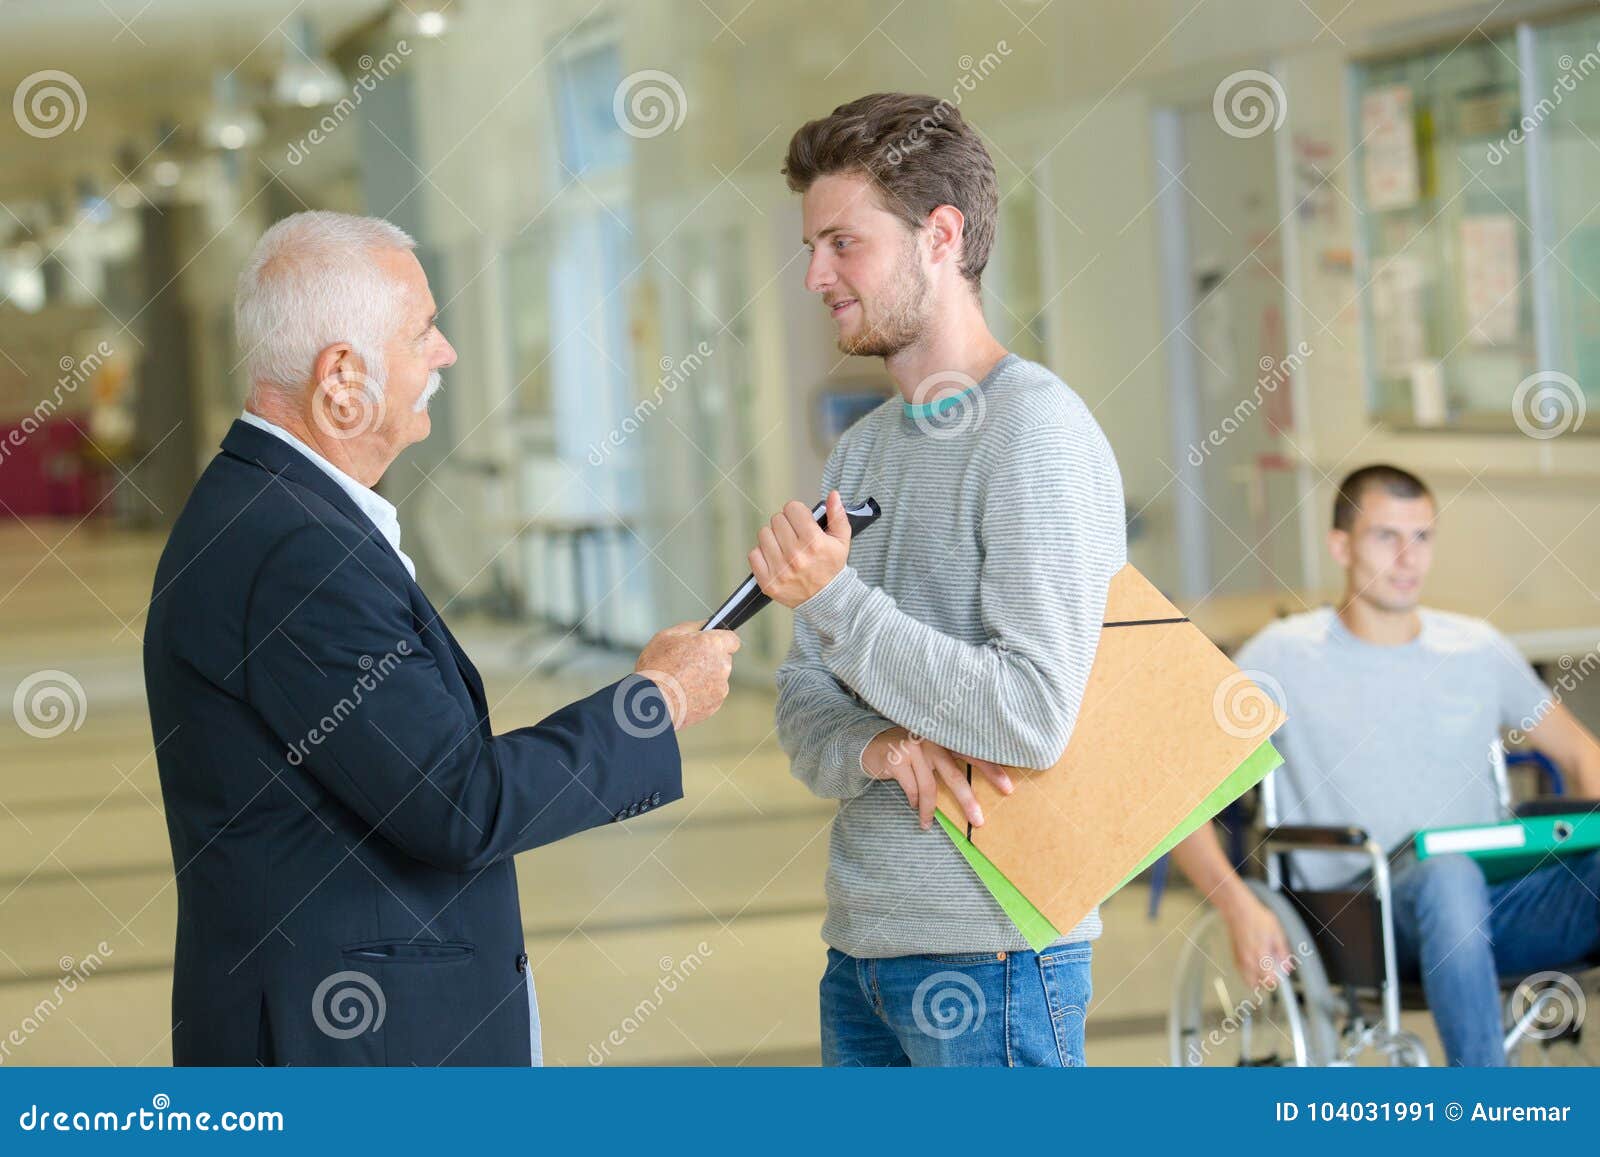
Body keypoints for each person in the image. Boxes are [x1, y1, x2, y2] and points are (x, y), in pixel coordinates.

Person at [143, 210, 740, 1066]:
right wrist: (657, 702)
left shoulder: (269, 509)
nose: (446, 351)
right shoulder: (296, 553)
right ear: (342, 376)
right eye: (422, 330)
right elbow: (460, 803)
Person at [752, 93, 1127, 1066]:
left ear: (941, 236)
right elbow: (800, 706)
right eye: (809, 246)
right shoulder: (860, 454)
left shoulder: (1031, 432)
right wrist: (879, 743)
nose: (814, 275)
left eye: (842, 242)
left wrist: (835, 598)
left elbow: (1031, 714)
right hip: (865, 950)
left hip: (997, 954)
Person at [1171, 464, 1600, 1066]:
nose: (1409, 558)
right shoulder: (1282, 657)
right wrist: (1237, 905)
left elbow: (1582, 752)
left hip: (1501, 906)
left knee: (1464, 875)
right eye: (1386, 537)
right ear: (1340, 545)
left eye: (1422, 536)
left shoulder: (1476, 646)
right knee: (1448, 873)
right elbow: (1176, 797)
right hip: (1360, 921)